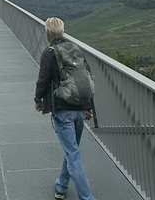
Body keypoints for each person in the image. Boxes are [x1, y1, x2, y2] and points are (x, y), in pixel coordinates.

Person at [35, 17, 96, 200]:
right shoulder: (75, 48)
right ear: (63, 30)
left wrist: (38, 99)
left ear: (47, 33)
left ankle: (87, 198)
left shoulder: (49, 53)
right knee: (72, 151)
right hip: (80, 109)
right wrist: (88, 107)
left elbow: (43, 81)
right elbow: (86, 77)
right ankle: (61, 186)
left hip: (63, 110)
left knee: (73, 155)